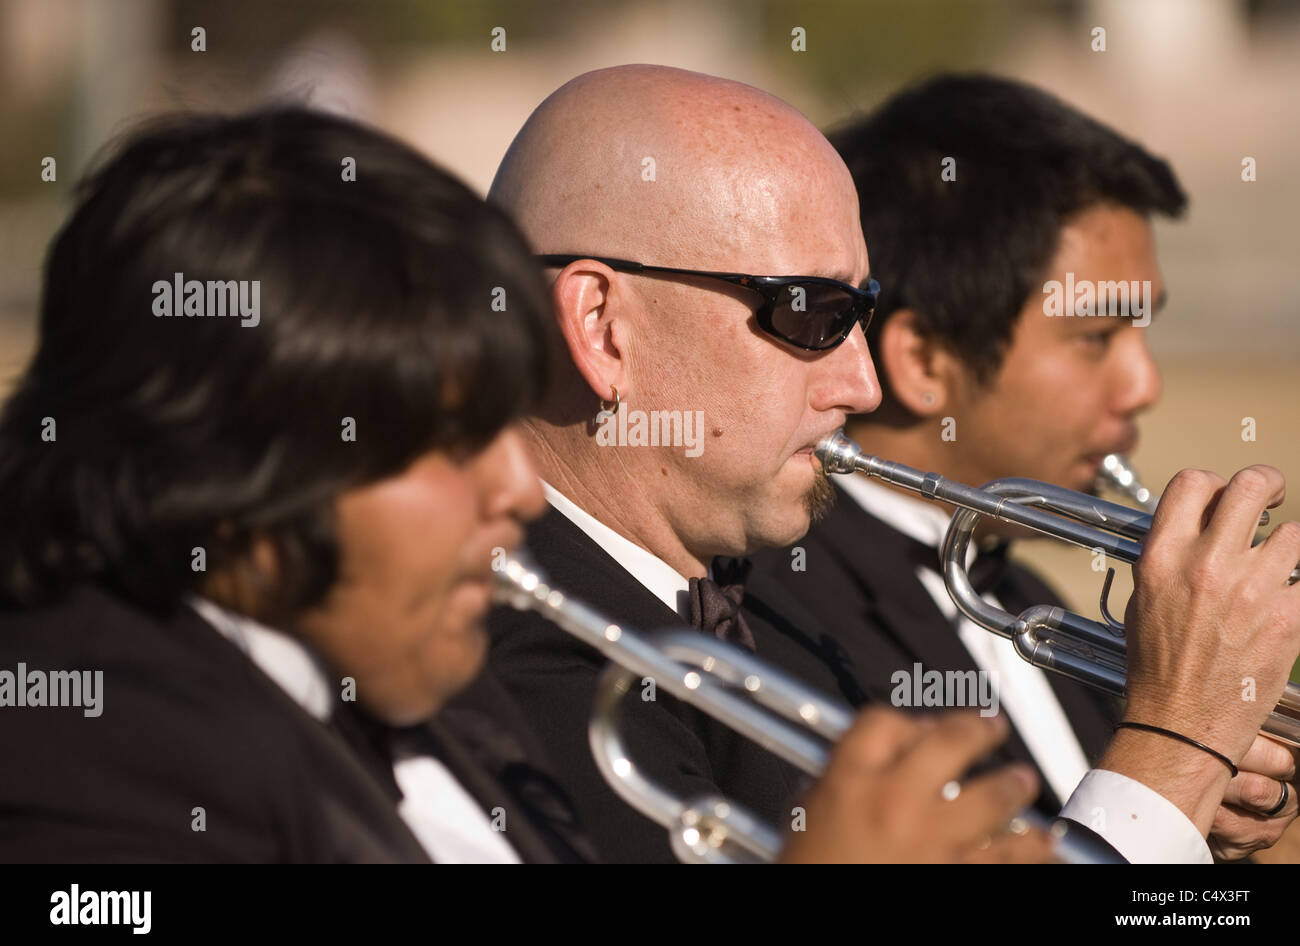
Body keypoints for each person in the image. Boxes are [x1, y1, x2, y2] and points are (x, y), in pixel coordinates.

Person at [0, 106, 1056, 864]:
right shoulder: (83, 757)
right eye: (454, 440)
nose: (517, 487)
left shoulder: (421, 695)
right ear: (241, 459)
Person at [477, 63, 1300, 864]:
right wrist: (1175, 746)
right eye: (812, 314)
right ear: (602, 325)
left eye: (862, 314)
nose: (862, 384)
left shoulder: (742, 604)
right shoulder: (499, 650)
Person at [747, 73, 1299, 862]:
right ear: (924, 360)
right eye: (1095, 338)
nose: (1146, 385)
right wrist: (1176, 748)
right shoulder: (781, 617)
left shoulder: (1026, 599)